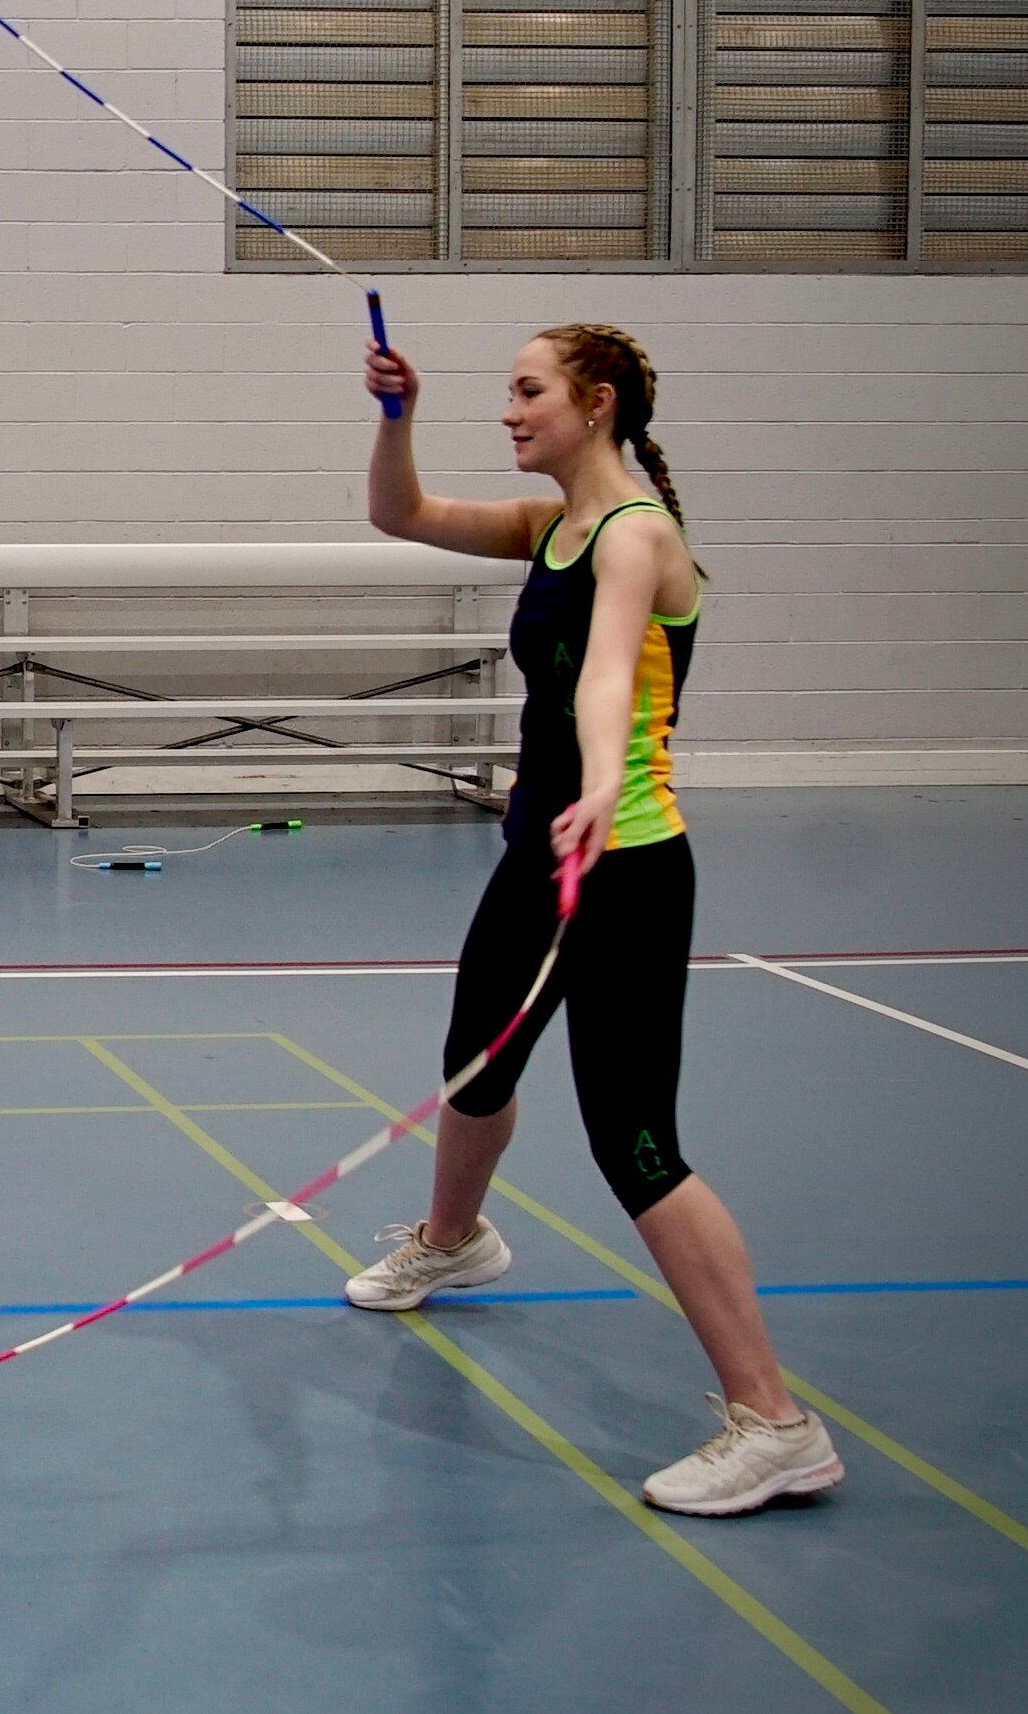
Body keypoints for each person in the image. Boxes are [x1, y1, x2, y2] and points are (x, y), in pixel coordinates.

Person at [349, 322, 837, 1516]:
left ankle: (774, 1423)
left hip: (616, 864)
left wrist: (603, 781)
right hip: (539, 851)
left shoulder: (634, 535)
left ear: (596, 402)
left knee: (633, 1143)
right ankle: (453, 1240)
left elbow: (608, 670)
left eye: (527, 391)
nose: (508, 410)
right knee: (475, 1067)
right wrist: (395, 416)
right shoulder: (549, 526)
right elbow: (397, 515)